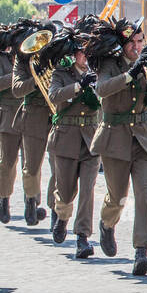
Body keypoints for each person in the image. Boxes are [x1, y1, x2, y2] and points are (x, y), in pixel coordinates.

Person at [86, 18, 147, 276]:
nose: (137, 47)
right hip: (115, 138)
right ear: (123, 45)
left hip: (143, 138)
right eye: (133, 43)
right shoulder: (109, 65)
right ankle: (107, 224)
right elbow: (102, 90)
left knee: (145, 194)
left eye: (141, 42)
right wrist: (130, 74)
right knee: (117, 198)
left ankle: (141, 251)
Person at [44, 25, 102, 260]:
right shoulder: (62, 73)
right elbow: (54, 95)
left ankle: (82, 237)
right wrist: (79, 85)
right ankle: (61, 216)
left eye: (90, 53)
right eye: (82, 52)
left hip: (90, 138)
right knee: (66, 192)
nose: (86, 58)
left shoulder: (99, 73)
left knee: (87, 191)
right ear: (75, 54)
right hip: (66, 137)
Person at [11, 20, 58, 228]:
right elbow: (17, 89)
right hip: (33, 115)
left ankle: (56, 207)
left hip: (58, 114)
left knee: (59, 168)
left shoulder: (59, 58)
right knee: (31, 166)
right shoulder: (23, 61)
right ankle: (31, 200)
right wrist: (36, 79)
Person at [0, 20, 30, 224]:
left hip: (29, 115)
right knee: (7, 163)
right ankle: (3, 198)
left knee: (32, 163)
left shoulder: (32, 60)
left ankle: (32, 201)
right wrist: (15, 76)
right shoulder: (1, 60)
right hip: (6, 116)